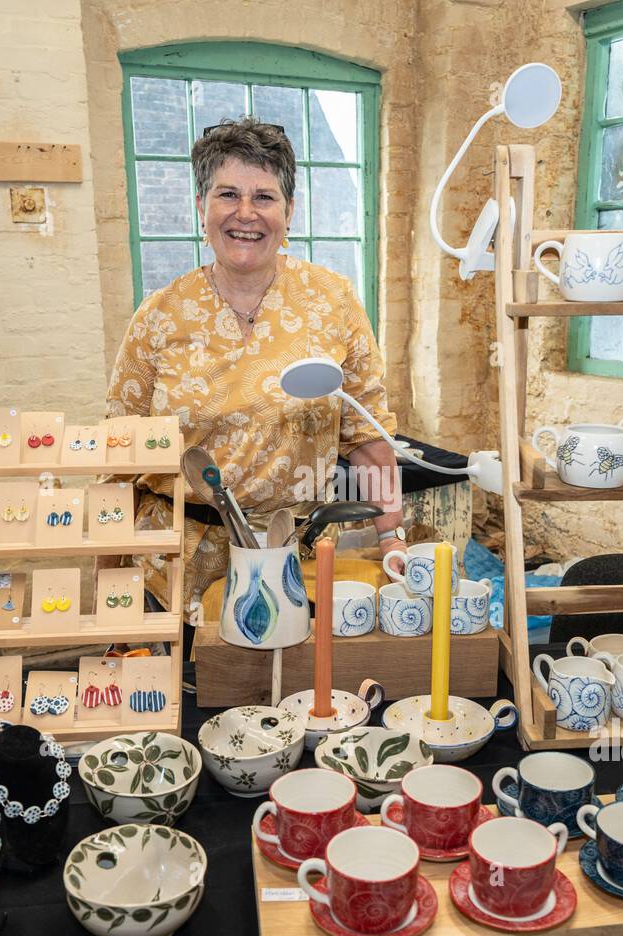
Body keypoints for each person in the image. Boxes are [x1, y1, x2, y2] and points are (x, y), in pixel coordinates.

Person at [105, 118, 403, 622]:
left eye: (264, 196)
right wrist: (109, 574)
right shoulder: (159, 316)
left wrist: (392, 537)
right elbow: (118, 456)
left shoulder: (333, 302)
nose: (246, 214)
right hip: (174, 566)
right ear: (201, 207)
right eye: (228, 194)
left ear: (290, 211)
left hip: (296, 559)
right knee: (187, 698)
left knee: (295, 695)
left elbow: (368, 433)